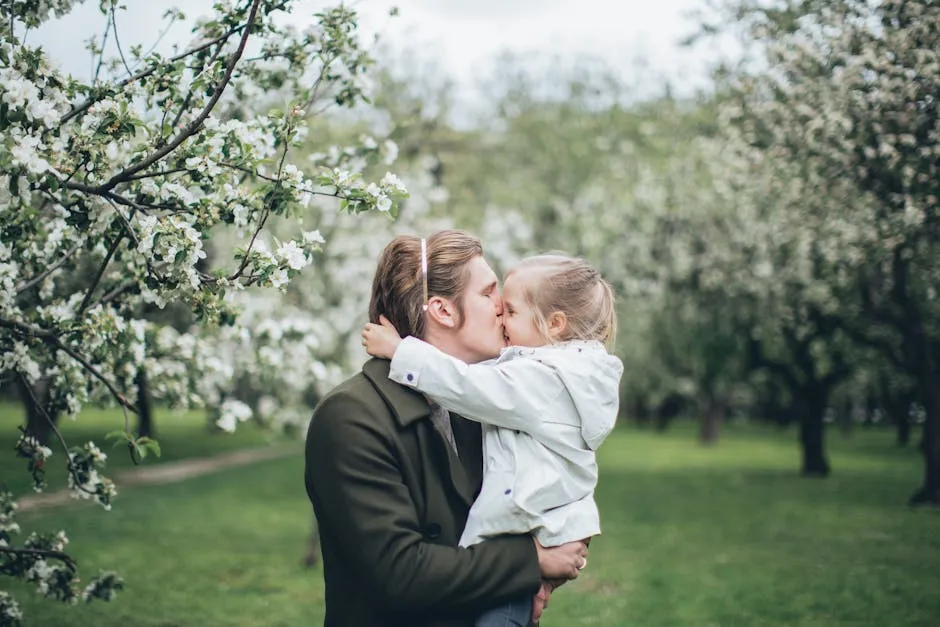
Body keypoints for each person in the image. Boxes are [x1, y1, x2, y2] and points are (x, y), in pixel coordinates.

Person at [304, 231, 588, 627]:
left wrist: (548, 567)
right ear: (442, 310)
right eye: (489, 293)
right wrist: (532, 560)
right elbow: (399, 572)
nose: (503, 306)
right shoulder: (350, 417)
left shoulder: (485, 401)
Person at [362, 252, 624, 627]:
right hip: (544, 530)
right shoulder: (570, 374)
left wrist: (399, 350)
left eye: (511, 311)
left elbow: (469, 387)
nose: (500, 316)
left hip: (525, 535)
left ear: (555, 324)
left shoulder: (544, 380)